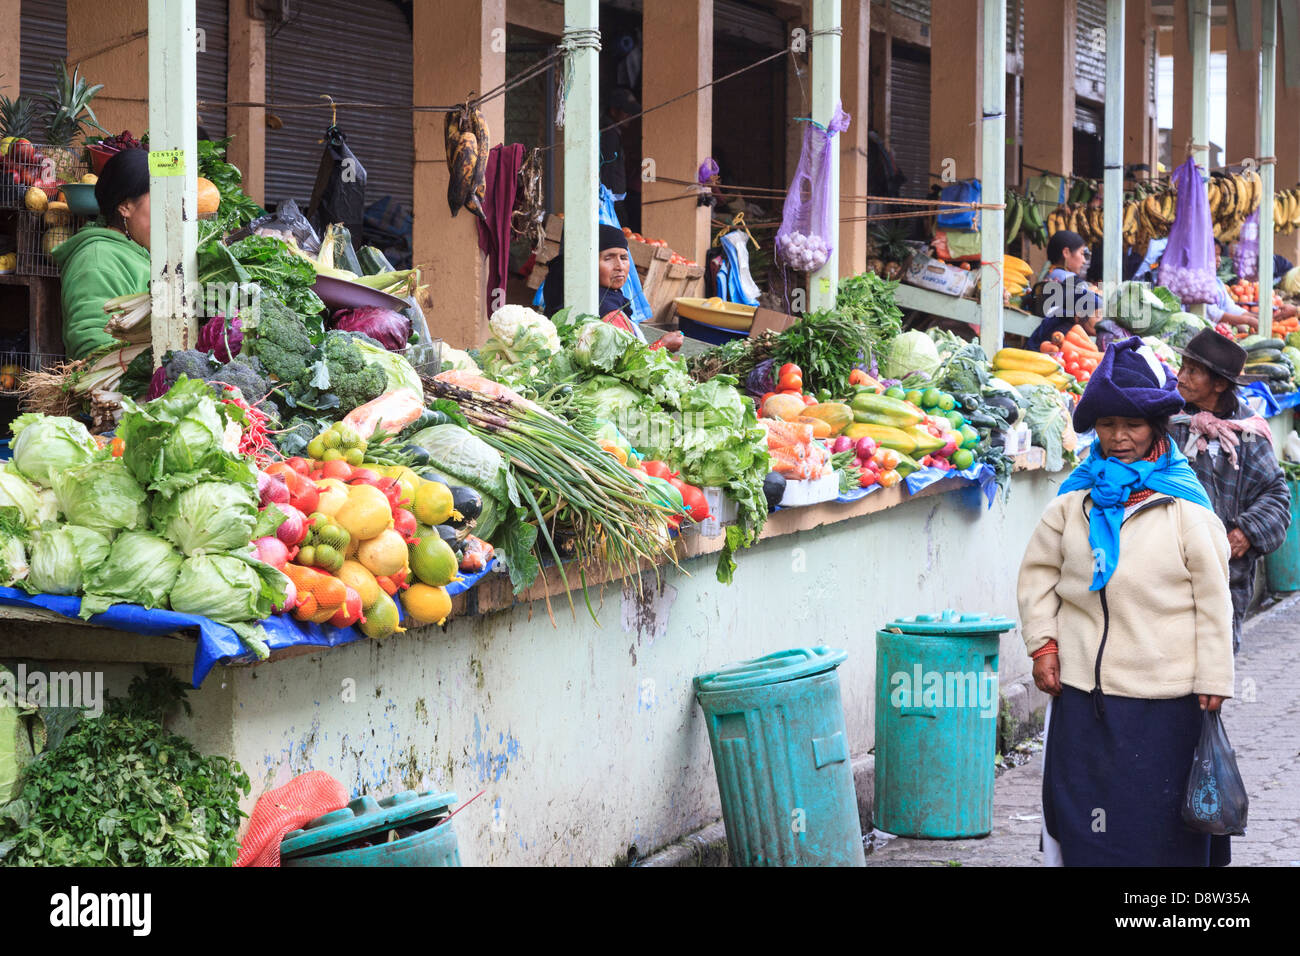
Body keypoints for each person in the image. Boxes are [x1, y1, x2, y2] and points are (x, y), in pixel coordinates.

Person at [1018, 335, 1235, 866]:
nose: (1118, 437)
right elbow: (1038, 575)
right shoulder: (1072, 504)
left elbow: (1213, 602)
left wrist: (1214, 678)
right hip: (1084, 700)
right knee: (1087, 829)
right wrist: (1043, 643)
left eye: (1132, 425)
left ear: (1156, 429)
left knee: (1159, 834)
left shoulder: (1186, 510)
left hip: (1166, 703)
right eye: (1108, 425)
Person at [1170, 329, 1292, 653]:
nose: (1180, 377)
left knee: (1212, 675)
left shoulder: (1249, 432)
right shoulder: (1169, 421)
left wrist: (1247, 532)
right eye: (1181, 367)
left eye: (1192, 371)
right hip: (1167, 573)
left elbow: (1277, 496)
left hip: (1225, 581)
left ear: (1219, 384)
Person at [51, 147, 151, 360]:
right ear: (125, 205)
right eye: (159, 200)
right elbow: (93, 348)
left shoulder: (138, 249)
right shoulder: (97, 259)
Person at [1024, 230, 1104, 351]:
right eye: (1082, 254)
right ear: (1066, 252)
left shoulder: (1047, 275)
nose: (1084, 261)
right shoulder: (1073, 283)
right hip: (1062, 341)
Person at [542, 223, 634, 320]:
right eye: (608, 259)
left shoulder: (613, 297)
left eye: (623, 258)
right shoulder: (603, 309)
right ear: (587, 263)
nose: (620, 267)